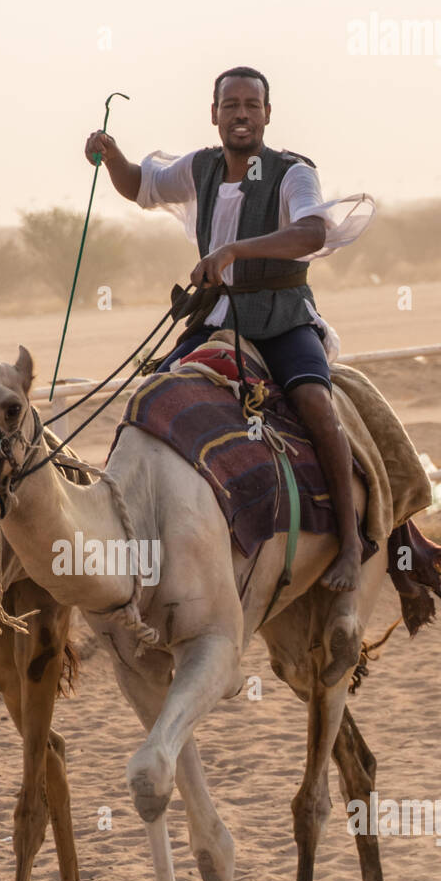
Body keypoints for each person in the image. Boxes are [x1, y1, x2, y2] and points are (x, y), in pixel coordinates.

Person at [84, 66, 375, 592]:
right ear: (214, 114)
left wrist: (237, 249)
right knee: (152, 398)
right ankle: (131, 534)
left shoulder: (292, 173)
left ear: (267, 113)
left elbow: (311, 232)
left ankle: (352, 543)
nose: (241, 114)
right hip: (216, 319)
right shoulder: (200, 168)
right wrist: (111, 156)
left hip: (281, 319)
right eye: (231, 105)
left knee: (312, 401)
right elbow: (139, 185)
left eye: (251, 105)